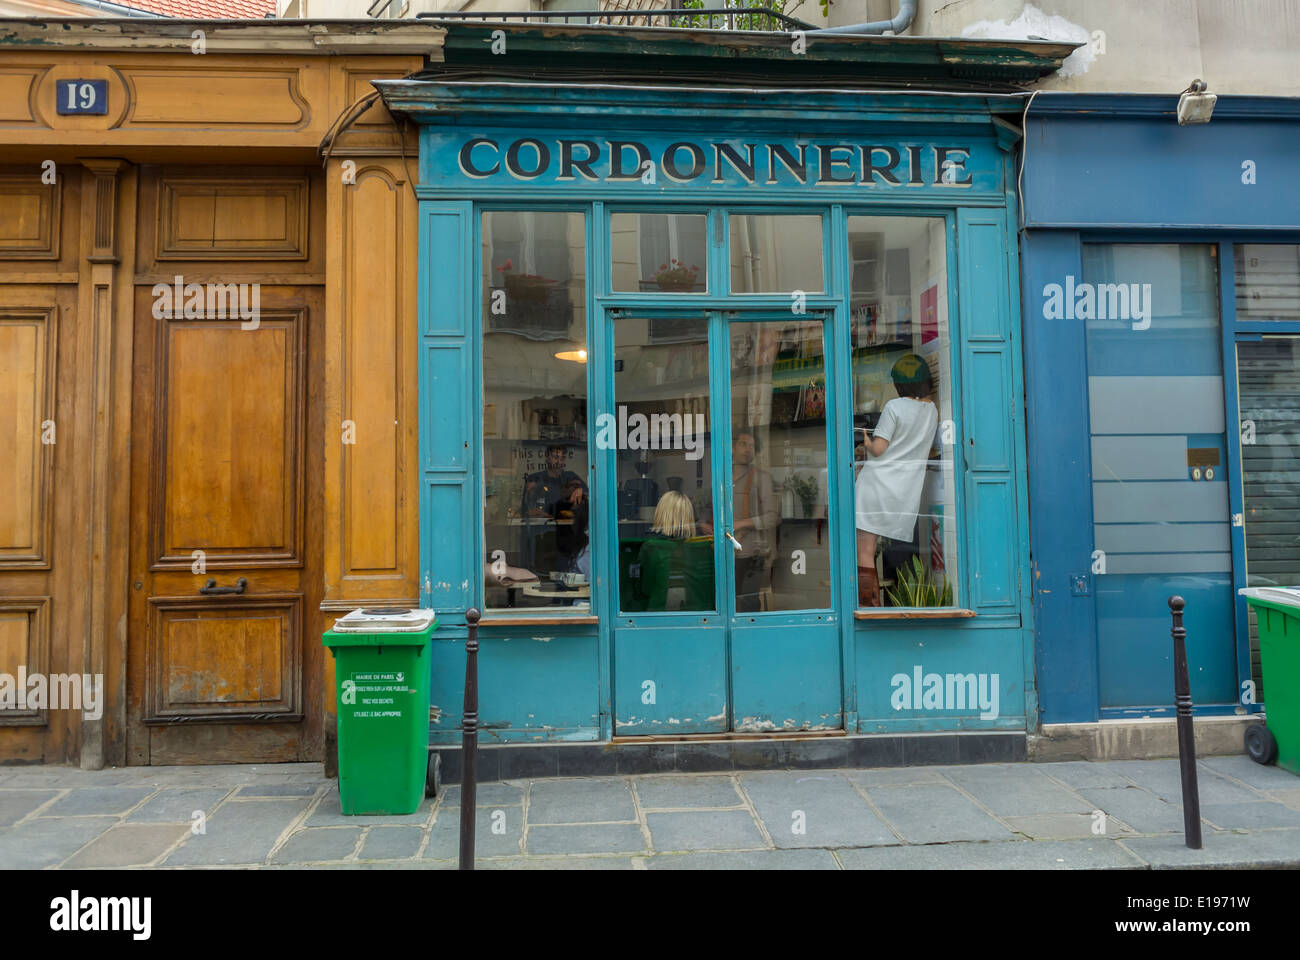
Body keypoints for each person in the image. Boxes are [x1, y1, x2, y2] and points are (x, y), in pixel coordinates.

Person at [855, 353, 939, 606]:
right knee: (891, 551)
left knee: (865, 552)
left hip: (876, 486)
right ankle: (876, 606)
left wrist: (865, 440)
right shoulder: (932, 410)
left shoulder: (894, 406)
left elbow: (879, 449)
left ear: (898, 384)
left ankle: (869, 608)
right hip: (904, 492)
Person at [635, 491, 712, 611]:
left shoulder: (652, 548)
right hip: (701, 616)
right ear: (690, 516)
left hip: (658, 617)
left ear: (660, 514)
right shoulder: (704, 546)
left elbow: (646, 588)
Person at [730, 429, 778, 611]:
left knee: (749, 603)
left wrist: (741, 524)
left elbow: (772, 517)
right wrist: (704, 523)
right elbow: (708, 509)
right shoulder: (721, 476)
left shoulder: (762, 478)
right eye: (743, 444)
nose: (748, 449)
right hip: (723, 552)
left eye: (752, 446)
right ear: (733, 448)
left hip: (751, 553)